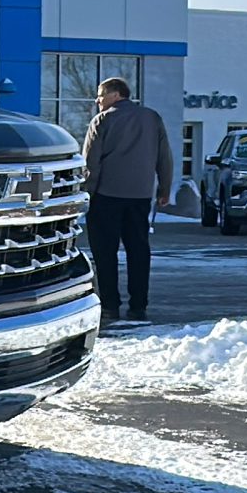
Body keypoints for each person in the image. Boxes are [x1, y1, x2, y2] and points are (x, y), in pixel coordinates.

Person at [80, 77, 173, 322]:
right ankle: (138, 305)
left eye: (101, 95)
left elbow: (91, 163)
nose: (97, 100)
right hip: (140, 195)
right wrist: (164, 188)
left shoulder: (103, 120)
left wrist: (86, 192)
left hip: (106, 195)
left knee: (104, 252)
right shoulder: (152, 118)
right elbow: (164, 156)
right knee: (139, 250)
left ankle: (110, 304)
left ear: (116, 95)